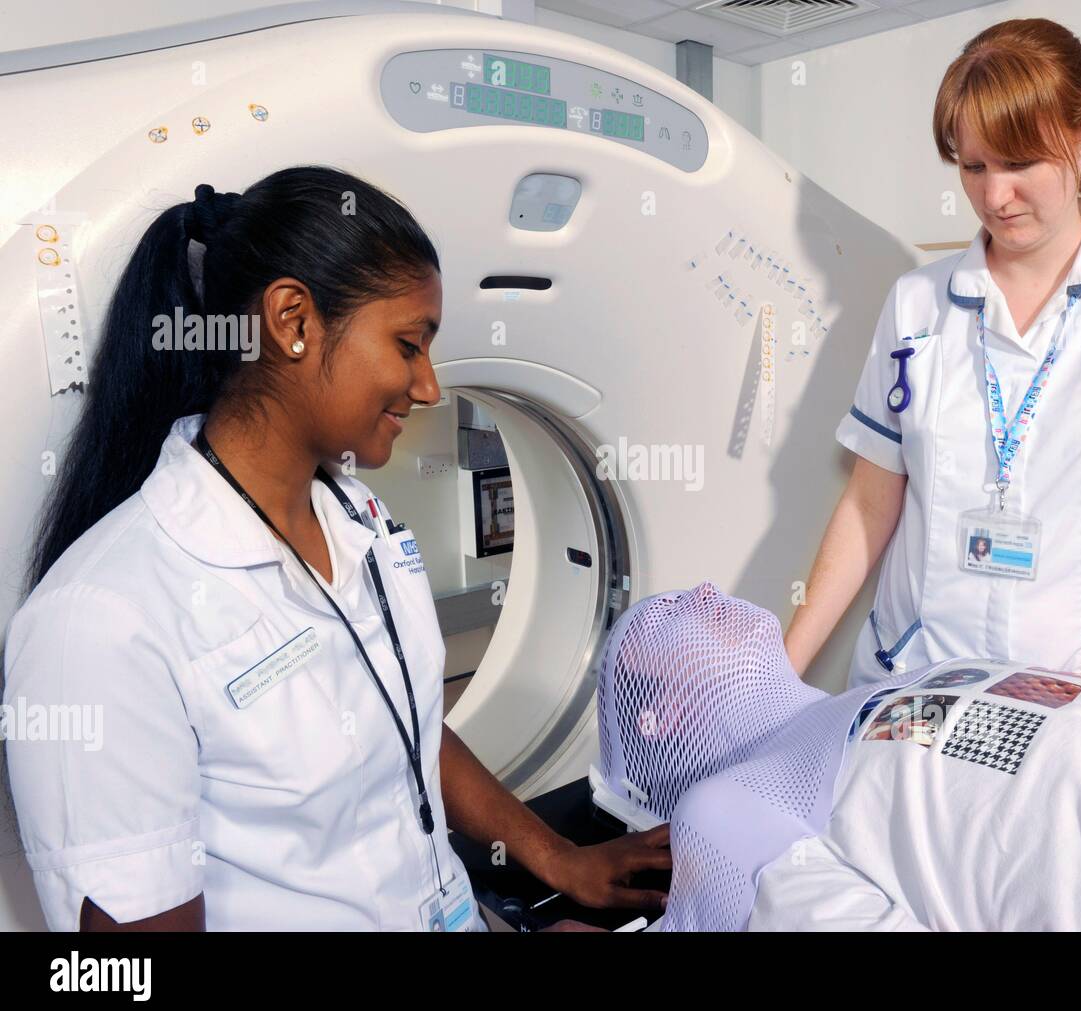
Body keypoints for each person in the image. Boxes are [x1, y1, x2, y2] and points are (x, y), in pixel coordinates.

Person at [3, 166, 669, 932]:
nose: (427, 387)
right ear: (291, 319)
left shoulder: (362, 521)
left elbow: (404, 722)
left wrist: (556, 860)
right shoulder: (103, 622)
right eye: (408, 344)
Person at [783, 18, 1081, 700]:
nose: (993, 196)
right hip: (918, 684)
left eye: (1019, 164)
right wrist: (777, 674)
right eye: (973, 166)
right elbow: (870, 504)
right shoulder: (917, 304)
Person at [597, 583, 1081, 932]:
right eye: (670, 617)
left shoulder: (749, 790)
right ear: (665, 717)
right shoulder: (730, 802)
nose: (703, 593)